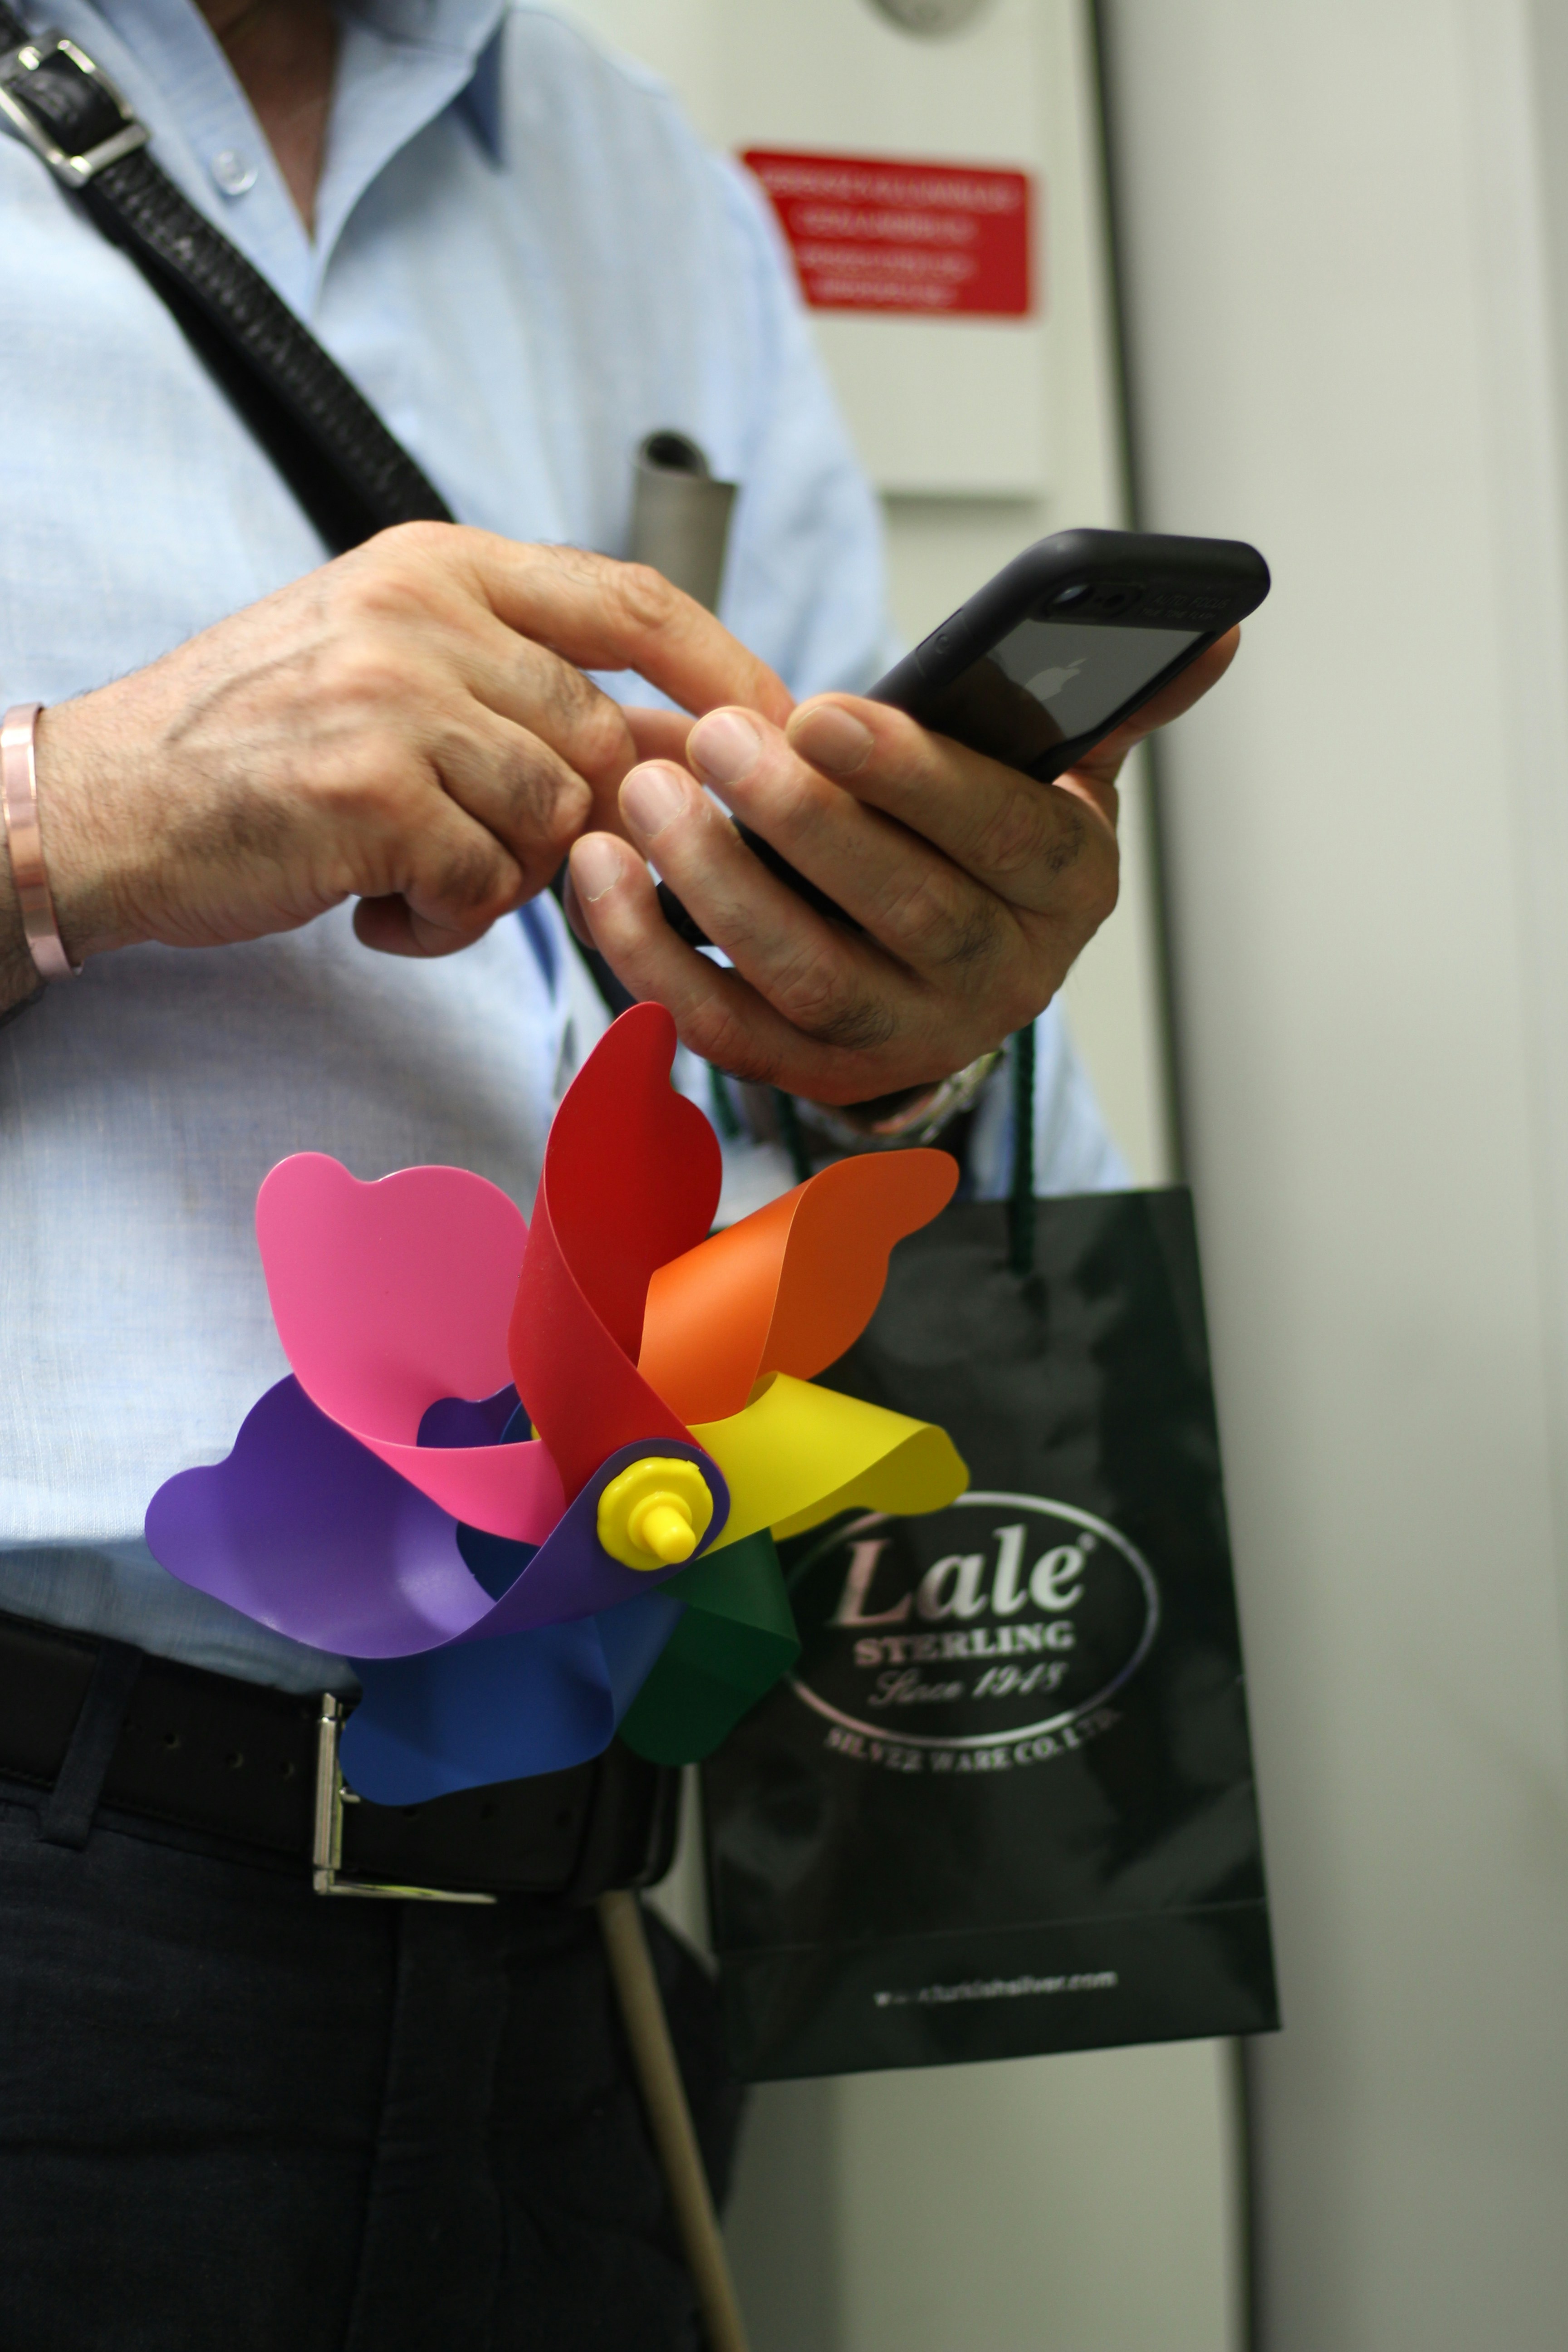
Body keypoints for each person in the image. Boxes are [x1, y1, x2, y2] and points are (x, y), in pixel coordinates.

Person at [0, 0, 1237, 2343]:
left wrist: (906, 1041)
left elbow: (905, 1145)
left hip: (592, 1947)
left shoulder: (644, 181)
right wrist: (72, 816)